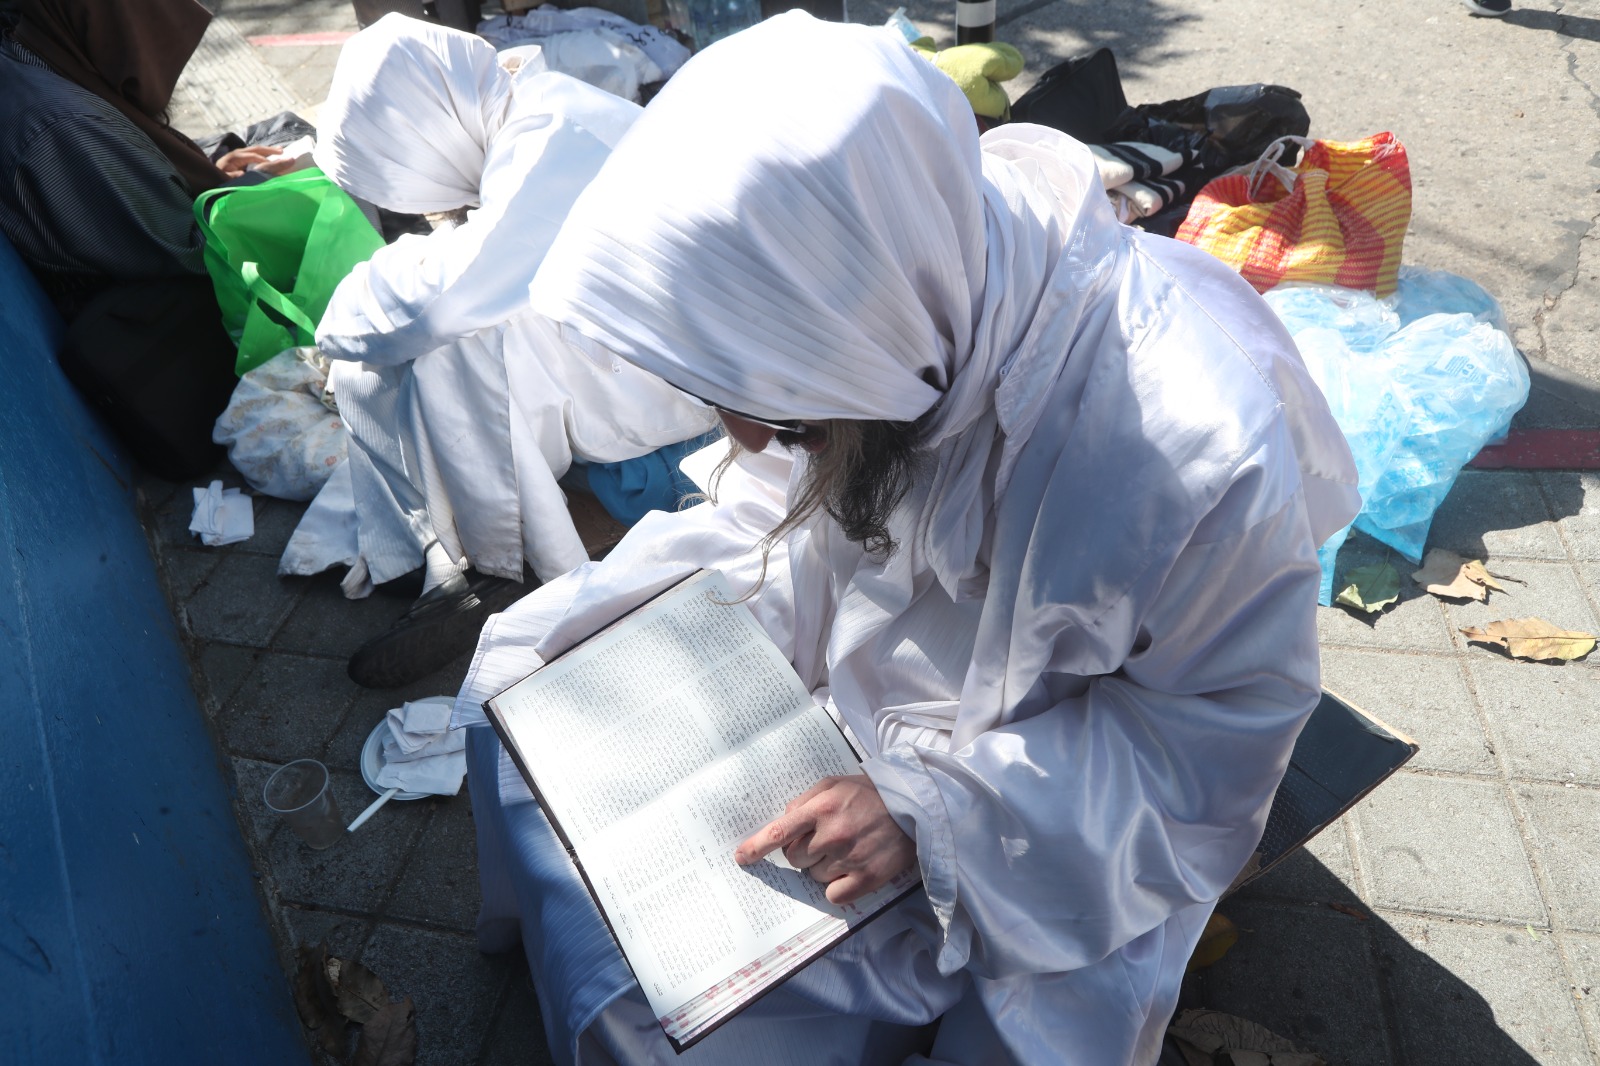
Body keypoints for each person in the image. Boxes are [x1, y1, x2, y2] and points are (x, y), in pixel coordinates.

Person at [453, 13, 1362, 1066]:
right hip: (863, 723)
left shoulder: (1189, 448)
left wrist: (932, 814)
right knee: (524, 685)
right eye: (729, 396)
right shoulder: (889, 291)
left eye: (785, 410)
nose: (749, 436)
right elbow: (772, 516)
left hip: (1044, 807)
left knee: (678, 1027)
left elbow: (1217, 734)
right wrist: (628, 619)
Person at [299, 16, 717, 688]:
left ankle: (511, 556)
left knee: (453, 350)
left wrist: (345, 315)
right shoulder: (538, 114)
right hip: (680, 371)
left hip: (695, 402)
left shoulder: (553, 136)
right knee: (431, 343)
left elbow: (447, 300)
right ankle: (487, 542)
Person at [0, 0, 294, 316]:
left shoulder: (38, 38)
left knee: (278, 140)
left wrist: (208, 170)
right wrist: (263, 190)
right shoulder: (64, 125)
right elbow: (194, 255)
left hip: (140, 270)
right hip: (160, 317)